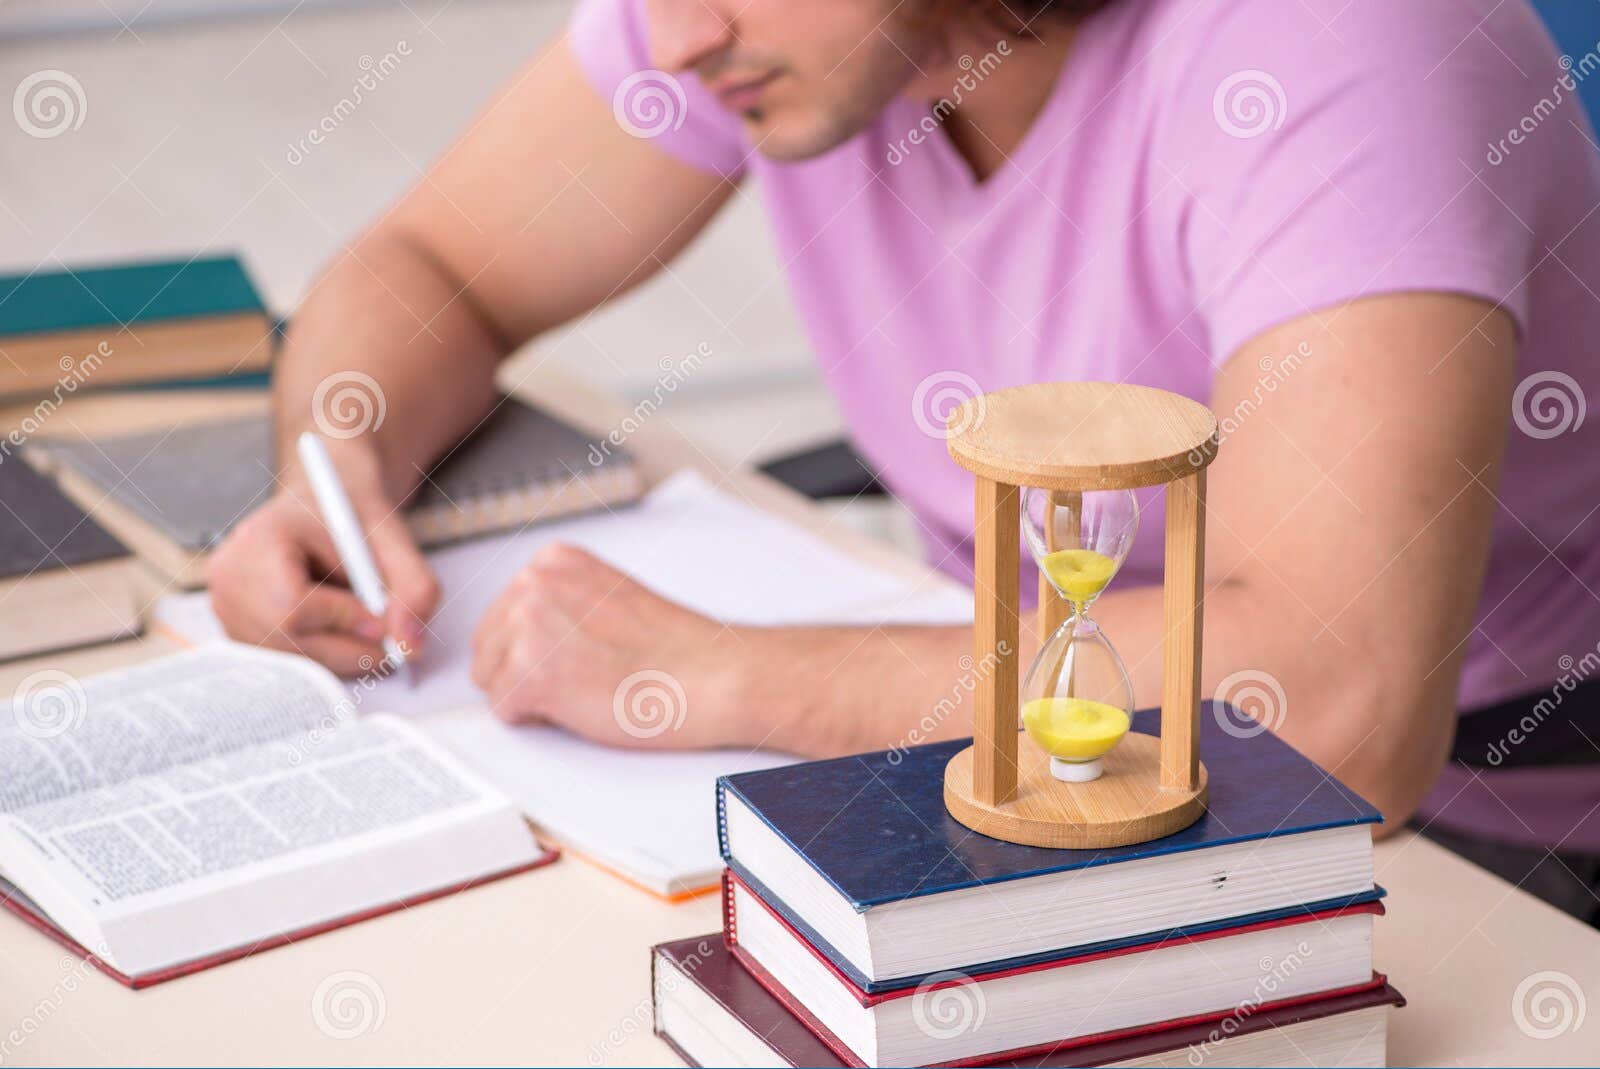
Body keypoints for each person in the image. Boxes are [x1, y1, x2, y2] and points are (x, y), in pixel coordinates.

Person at [208, 0, 1600, 920]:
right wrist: (336, 465)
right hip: (998, 763)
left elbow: (1338, 712)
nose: (675, 39)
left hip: (1477, 842)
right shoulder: (770, 39)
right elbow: (433, 265)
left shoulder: (1343, 52)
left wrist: (728, 677)